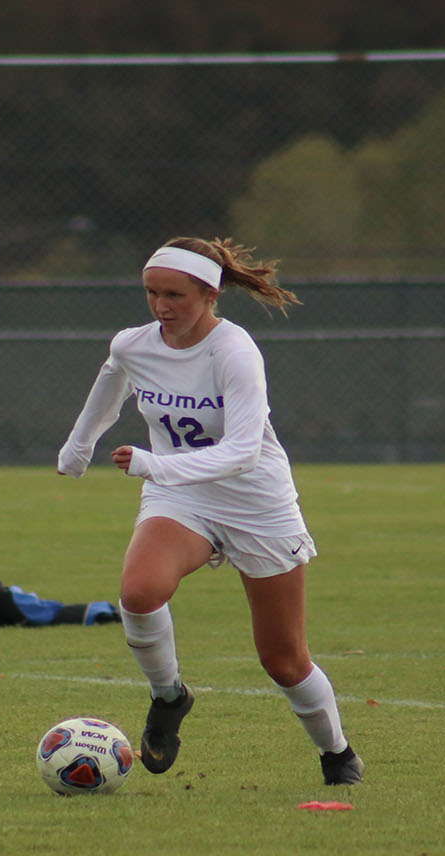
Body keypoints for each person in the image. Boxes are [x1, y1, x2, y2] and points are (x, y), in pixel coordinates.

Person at [55, 236, 362, 786]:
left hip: (257, 502)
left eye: (175, 294)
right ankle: (169, 698)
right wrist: (76, 451)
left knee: (284, 660)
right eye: (152, 293)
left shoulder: (234, 351)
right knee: (139, 592)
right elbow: (108, 389)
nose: (161, 306)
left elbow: (243, 451)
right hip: (183, 497)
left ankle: (336, 753)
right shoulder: (134, 345)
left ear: (209, 293)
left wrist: (155, 465)